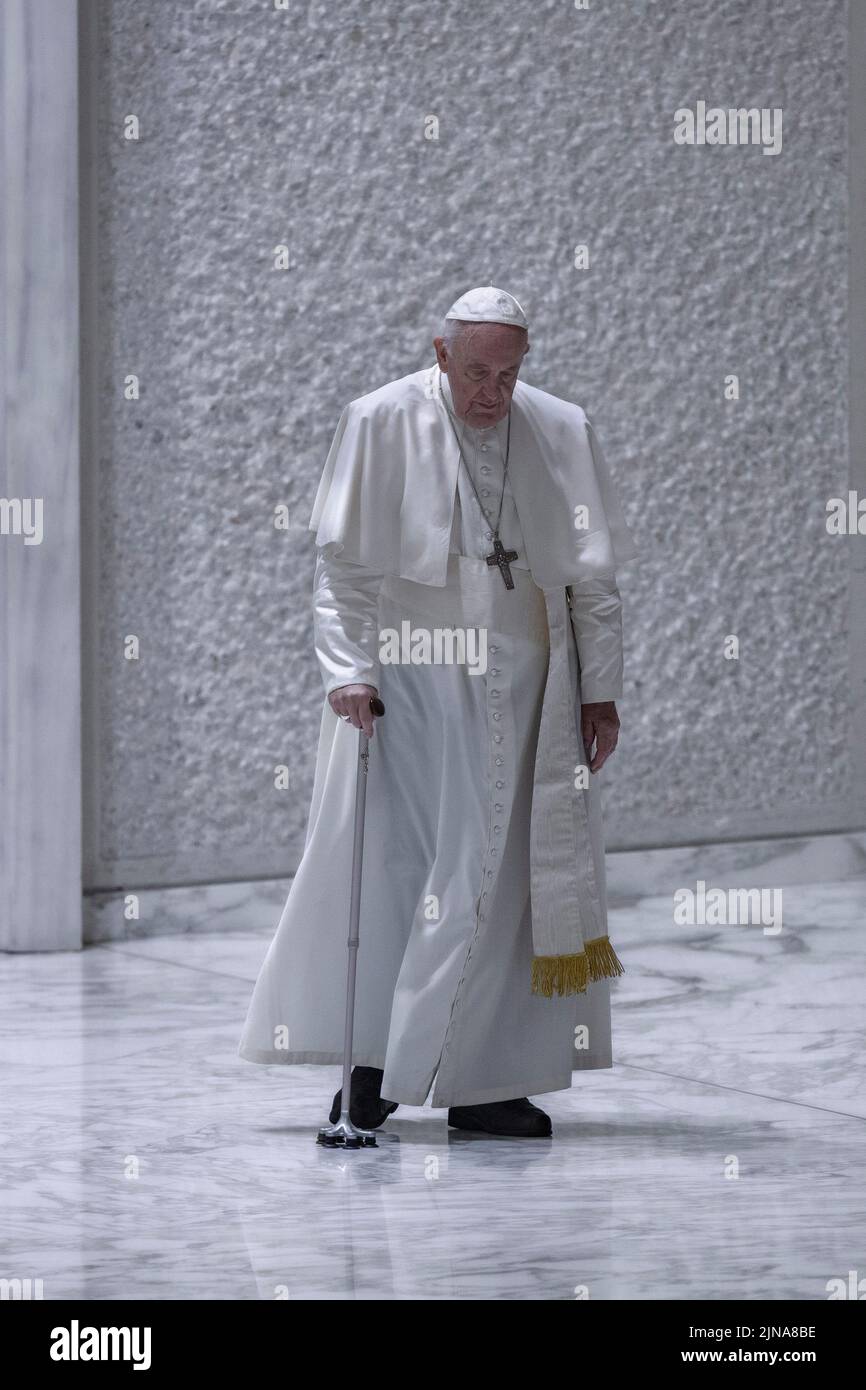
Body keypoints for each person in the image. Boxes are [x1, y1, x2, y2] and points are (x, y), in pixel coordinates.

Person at [238, 285, 639, 1137]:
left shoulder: (561, 426)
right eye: (477, 374)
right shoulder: (380, 420)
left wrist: (599, 690)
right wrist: (349, 671)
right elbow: (344, 572)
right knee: (406, 871)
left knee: (508, 882)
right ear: (440, 353)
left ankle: (486, 1080)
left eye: (509, 375)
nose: (493, 394)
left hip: (530, 688)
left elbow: (592, 579)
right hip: (415, 686)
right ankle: (374, 1069)